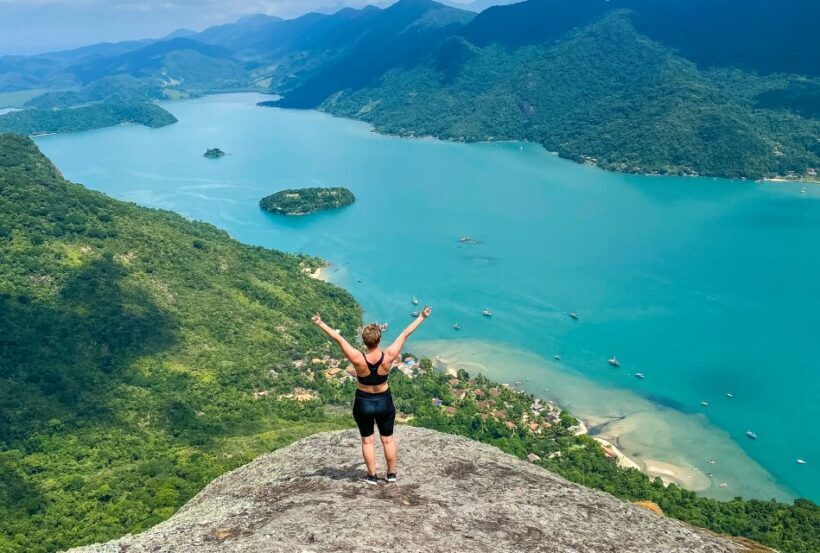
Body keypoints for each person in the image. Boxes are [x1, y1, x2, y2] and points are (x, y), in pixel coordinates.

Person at [312, 305, 432, 485]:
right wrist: (422, 316)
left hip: (363, 402)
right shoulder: (389, 355)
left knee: (367, 441)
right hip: (384, 401)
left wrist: (320, 323)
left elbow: (338, 338)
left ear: (364, 341)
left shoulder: (357, 358)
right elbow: (405, 334)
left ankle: (372, 476)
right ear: (379, 338)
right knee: (387, 439)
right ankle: (391, 475)